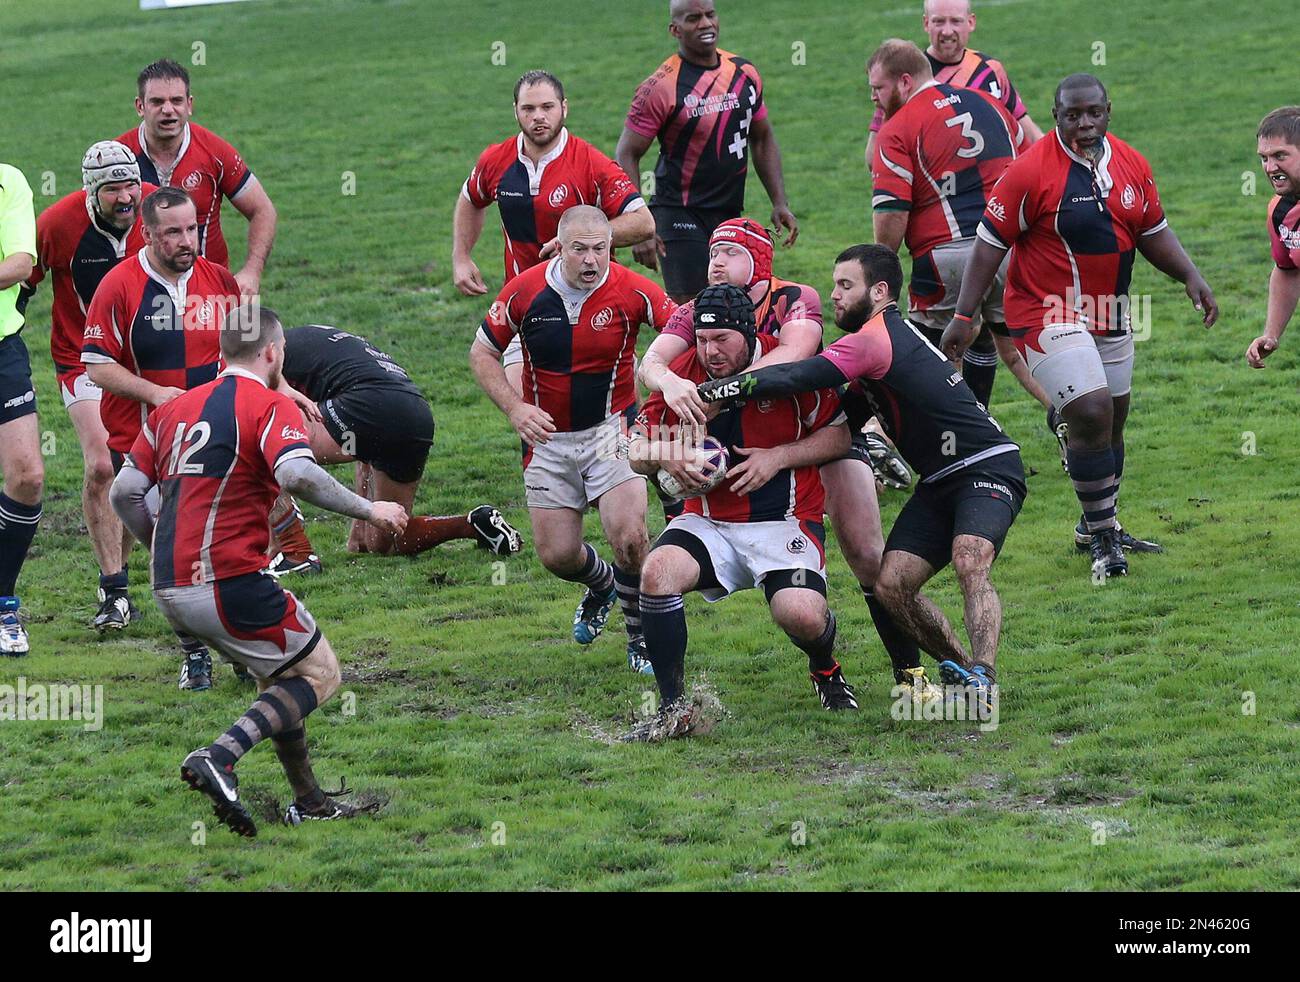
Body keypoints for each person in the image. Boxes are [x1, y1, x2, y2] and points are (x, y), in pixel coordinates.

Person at [109, 306, 409, 836]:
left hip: (169, 586)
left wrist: (159, 545)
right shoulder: (271, 405)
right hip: (228, 580)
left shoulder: (173, 410)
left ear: (223, 353)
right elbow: (295, 472)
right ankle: (219, 758)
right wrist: (371, 510)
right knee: (321, 674)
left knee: (280, 677)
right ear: (272, 353)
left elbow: (126, 492)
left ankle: (310, 801)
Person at [697, 246, 1028, 711]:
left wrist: (714, 391)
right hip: (938, 480)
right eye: (833, 285)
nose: (832, 295)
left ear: (879, 292)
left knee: (969, 559)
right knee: (891, 585)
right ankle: (964, 674)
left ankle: (986, 671)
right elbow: (838, 425)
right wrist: (777, 452)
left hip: (987, 465)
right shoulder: (877, 353)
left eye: (845, 286)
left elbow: (799, 376)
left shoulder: (875, 337)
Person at [639, 218, 939, 702]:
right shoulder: (701, 310)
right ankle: (673, 704)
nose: (715, 261)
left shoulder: (793, 297)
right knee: (671, 558)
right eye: (713, 251)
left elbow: (795, 357)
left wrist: (722, 397)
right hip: (754, 430)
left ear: (759, 258)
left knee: (866, 555)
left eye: (730, 252)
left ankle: (910, 675)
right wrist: (673, 392)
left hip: (814, 420)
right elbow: (652, 363)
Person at [941, 74, 1218, 579]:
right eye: (1073, 115)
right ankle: (1105, 542)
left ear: (1108, 111)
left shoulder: (1132, 163)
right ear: (1056, 116)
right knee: (1090, 412)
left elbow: (1152, 230)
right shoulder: (1030, 171)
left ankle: (1097, 523)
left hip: (1109, 308)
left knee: (1112, 421)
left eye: (1093, 113)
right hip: (1045, 309)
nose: (1085, 123)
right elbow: (988, 243)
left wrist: (1190, 276)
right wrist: (965, 314)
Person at [630, 284, 856, 729]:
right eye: (702, 339)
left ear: (748, 333)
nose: (710, 352)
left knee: (802, 615)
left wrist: (778, 457)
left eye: (722, 340)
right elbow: (632, 448)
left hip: (784, 522)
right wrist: (666, 454)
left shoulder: (789, 369)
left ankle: (825, 667)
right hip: (708, 522)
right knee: (656, 573)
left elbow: (841, 436)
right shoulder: (682, 375)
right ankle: (674, 708)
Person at [82, 186, 272, 689]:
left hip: (211, 440)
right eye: (173, 232)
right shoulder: (118, 286)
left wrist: (286, 390)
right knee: (168, 544)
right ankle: (198, 650)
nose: (187, 240)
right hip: (145, 438)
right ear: (147, 233)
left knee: (215, 550)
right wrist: (157, 394)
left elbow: (254, 349)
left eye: (192, 229)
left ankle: (225, 646)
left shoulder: (220, 282)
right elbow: (96, 365)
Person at [470, 206, 674, 674]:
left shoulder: (635, 289)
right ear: (558, 248)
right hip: (548, 440)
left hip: (612, 431)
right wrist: (516, 408)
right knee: (558, 556)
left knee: (629, 539)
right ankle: (600, 584)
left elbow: (679, 334)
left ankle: (641, 638)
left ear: (610, 247)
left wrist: (670, 392)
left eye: (599, 249)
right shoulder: (525, 292)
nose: (590, 260)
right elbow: (482, 352)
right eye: (579, 249)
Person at [868, 39, 1049, 414]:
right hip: (1010, 250)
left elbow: (892, 215)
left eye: (877, 88)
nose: (874, 98)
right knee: (1016, 352)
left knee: (926, 368)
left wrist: (882, 266)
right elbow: (1029, 170)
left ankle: (918, 447)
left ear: (904, 82)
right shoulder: (990, 104)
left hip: (948, 262)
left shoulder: (897, 129)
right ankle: (1074, 421)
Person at [21, 141, 158, 632]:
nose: (126, 198)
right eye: (114, 189)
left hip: (143, 360)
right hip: (80, 360)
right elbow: (23, 281)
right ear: (91, 191)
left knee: (131, 467)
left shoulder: (155, 214)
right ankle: (115, 589)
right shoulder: (57, 224)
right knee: (102, 464)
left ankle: (122, 584)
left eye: (131, 185)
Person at [454, 70, 655, 393]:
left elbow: (643, 222)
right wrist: (461, 256)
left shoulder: (591, 163)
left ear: (564, 107)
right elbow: (471, 198)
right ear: (515, 111)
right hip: (526, 304)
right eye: (528, 109)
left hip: (594, 304)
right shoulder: (496, 160)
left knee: (615, 414)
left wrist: (577, 244)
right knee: (530, 412)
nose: (538, 117)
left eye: (547, 107)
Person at [281, 323, 521, 556]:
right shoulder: (299, 342)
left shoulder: (259, 360)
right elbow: (363, 446)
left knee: (267, 448)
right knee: (386, 540)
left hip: (371, 405)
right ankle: (471, 524)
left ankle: (293, 554)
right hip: (413, 414)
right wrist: (359, 527)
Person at [616, 0, 797, 303]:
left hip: (728, 214)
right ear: (675, 29)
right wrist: (638, 224)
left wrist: (779, 202)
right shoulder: (661, 87)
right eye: (693, 19)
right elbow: (626, 153)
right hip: (678, 212)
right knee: (691, 312)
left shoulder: (744, 73)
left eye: (710, 15)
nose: (705, 24)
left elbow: (762, 137)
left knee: (733, 308)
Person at [117, 59, 276, 297]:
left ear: (189, 105)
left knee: (246, 333)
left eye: (177, 101)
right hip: (140, 296)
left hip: (209, 294)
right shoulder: (118, 158)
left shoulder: (215, 153)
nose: (168, 110)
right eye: (157, 102)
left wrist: (252, 271)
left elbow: (263, 210)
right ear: (140, 106)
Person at [864, 0, 1044, 169]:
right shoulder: (906, 79)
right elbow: (874, 158)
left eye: (956, 21)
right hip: (938, 197)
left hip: (993, 192)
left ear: (971, 22)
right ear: (926, 24)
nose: (947, 31)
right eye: (939, 22)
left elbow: (1030, 134)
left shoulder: (990, 70)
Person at [0, 162, 40, 656]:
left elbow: (20, 264)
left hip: (3, 349)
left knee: (27, 476)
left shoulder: (8, 180)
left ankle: (3, 602)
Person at [1246, 107, 1300, 369]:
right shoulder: (1280, 211)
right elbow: (1287, 271)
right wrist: (1271, 333)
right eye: (1264, 158)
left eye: (1280, 156)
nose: (1270, 168)